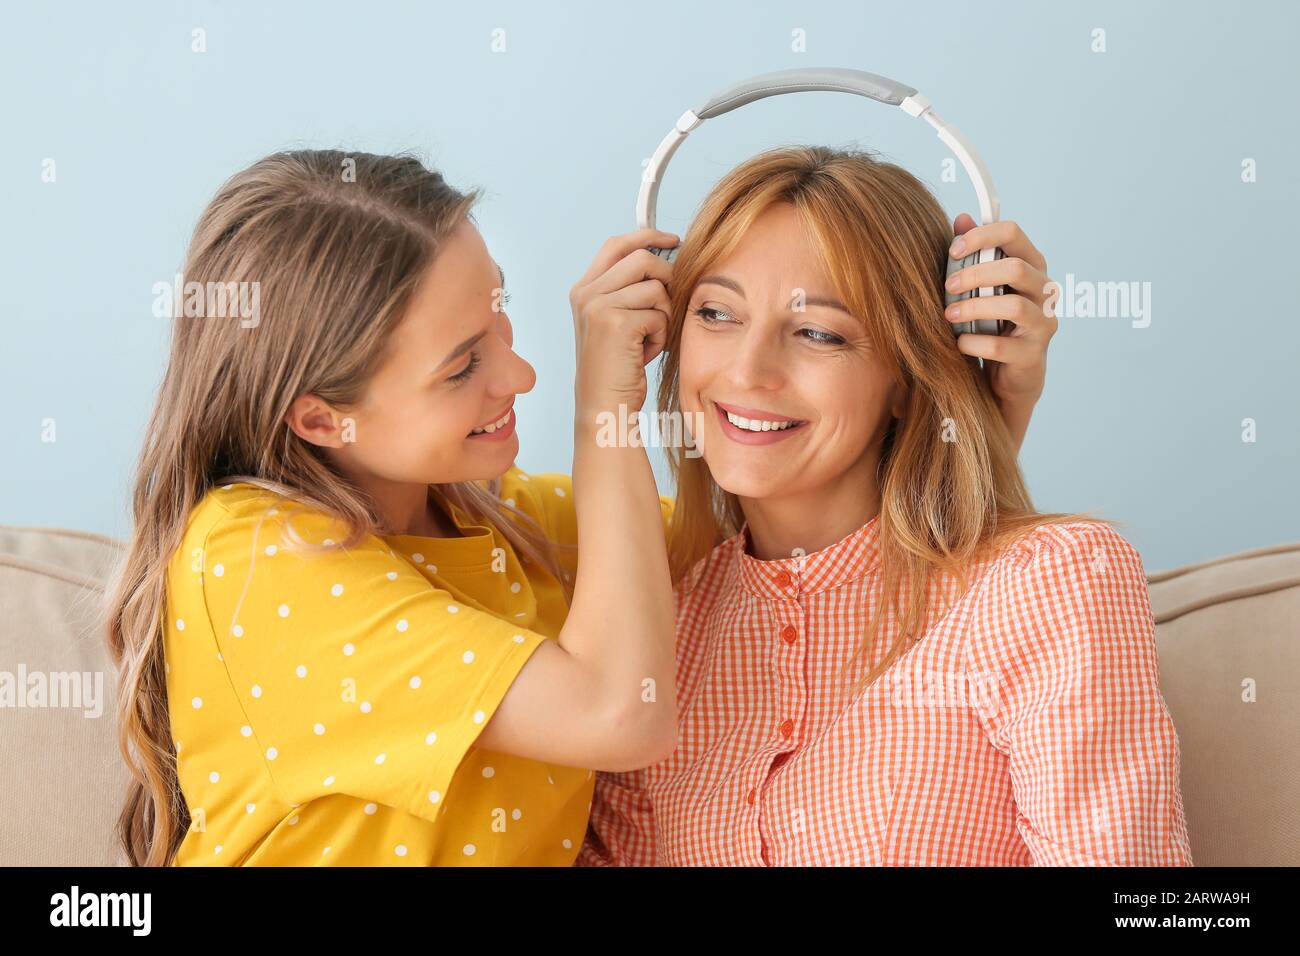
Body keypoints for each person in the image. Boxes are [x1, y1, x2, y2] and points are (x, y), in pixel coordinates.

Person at [577, 146, 1192, 866]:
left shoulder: (1051, 582)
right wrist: (601, 397)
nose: (747, 371)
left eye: (819, 333)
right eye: (716, 313)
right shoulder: (658, 632)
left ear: (907, 378)